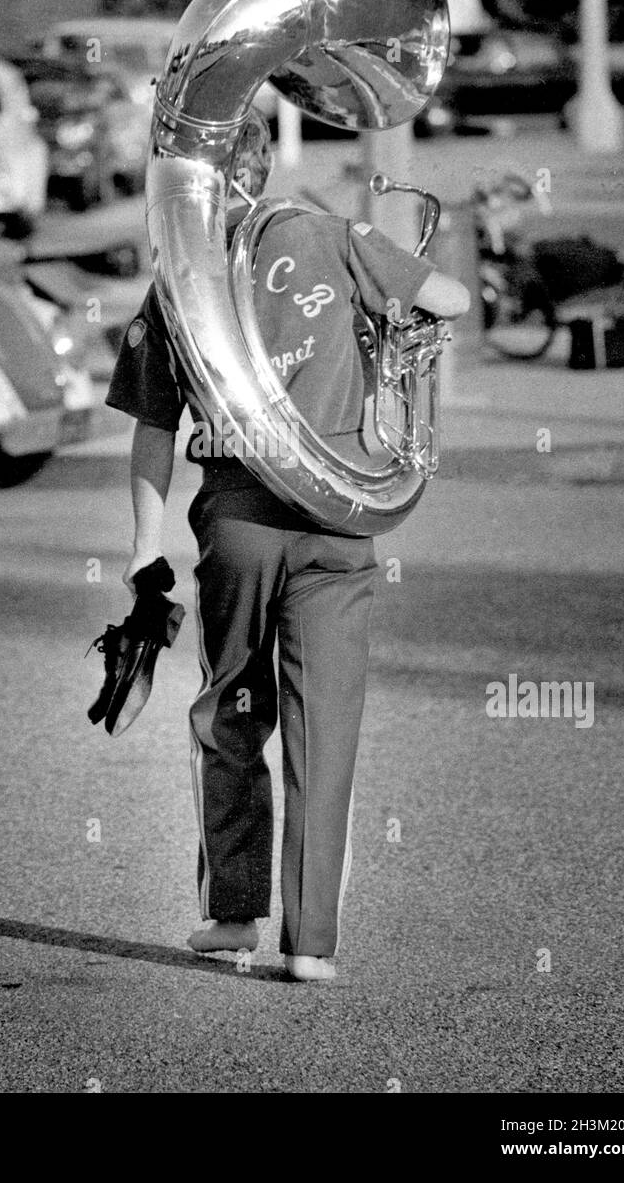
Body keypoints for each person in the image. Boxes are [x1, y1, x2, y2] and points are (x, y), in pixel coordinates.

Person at [105, 110, 469, 981]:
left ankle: (232, 917)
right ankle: (313, 947)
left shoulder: (178, 280)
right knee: (327, 731)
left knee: (229, 708)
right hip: (344, 519)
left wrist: (142, 549)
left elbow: (154, 429)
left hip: (236, 522)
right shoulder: (333, 234)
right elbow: (449, 301)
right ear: (266, 166)